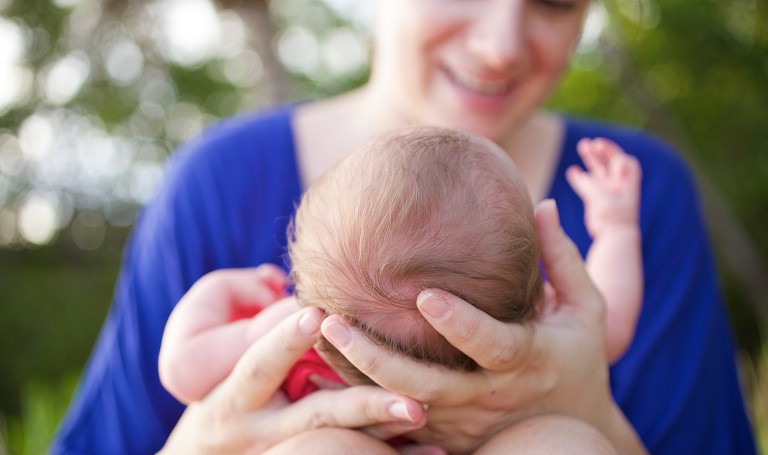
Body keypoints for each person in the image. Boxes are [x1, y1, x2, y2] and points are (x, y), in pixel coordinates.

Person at [47, 1, 765, 455]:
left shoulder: (653, 187)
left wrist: (593, 417)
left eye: (554, 0)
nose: (500, 45)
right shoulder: (216, 182)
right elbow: (604, 322)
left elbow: (184, 361)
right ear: (541, 291)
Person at [159, 126, 643, 406]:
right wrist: (618, 229)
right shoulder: (537, 348)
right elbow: (608, 323)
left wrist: (221, 290)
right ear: (533, 297)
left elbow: (182, 371)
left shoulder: (288, 334)